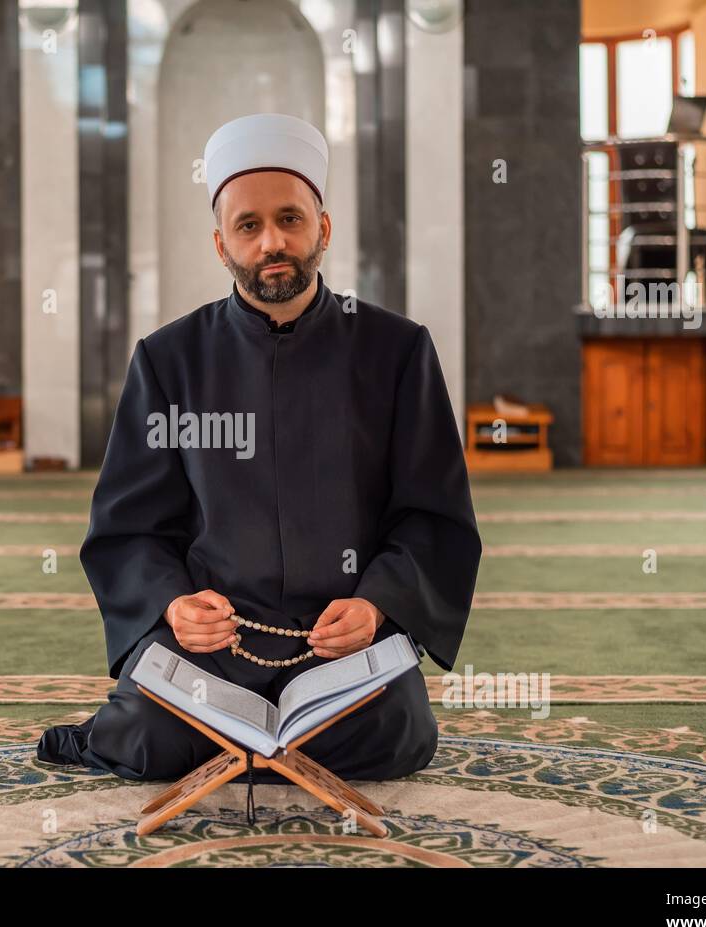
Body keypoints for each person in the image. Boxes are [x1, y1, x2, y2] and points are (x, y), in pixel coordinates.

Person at [37, 113, 481, 785]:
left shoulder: (397, 351)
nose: (272, 241)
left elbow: (432, 515)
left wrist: (377, 604)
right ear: (222, 244)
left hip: (340, 643)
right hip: (214, 647)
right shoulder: (168, 360)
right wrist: (173, 604)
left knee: (400, 732)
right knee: (144, 735)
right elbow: (129, 526)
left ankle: (235, 750)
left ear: (322, 227)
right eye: (249, 226)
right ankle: (271, 749)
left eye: (289, 219)